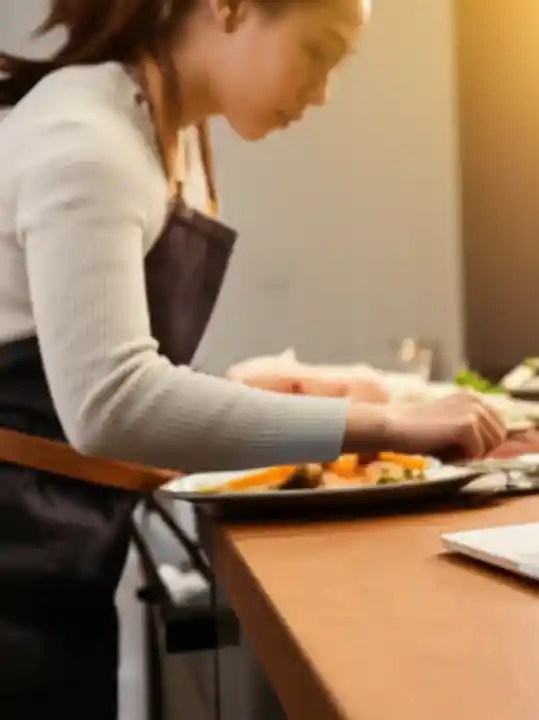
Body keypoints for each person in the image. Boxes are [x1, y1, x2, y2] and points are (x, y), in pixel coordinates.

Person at [0, 1, 505, 715]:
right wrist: (387, 426)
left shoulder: (172, 133)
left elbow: (88, 372)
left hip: (59, 561)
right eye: (319, 52)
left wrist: (249, 390)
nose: (322, 93)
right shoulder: (86, 141)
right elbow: (110, 405)